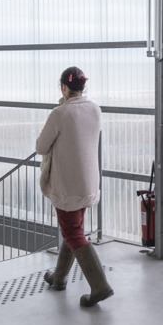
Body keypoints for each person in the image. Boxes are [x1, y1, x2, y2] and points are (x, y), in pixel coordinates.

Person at [36, 65, 113, 306]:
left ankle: (99, 286)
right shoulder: (95, 109)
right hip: (88, 180)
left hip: (67, 182)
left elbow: (40, 147)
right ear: (82, 87)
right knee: (73, 229)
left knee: (72, 232)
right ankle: (59, 277)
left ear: (63, 87)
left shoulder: (60, 113)